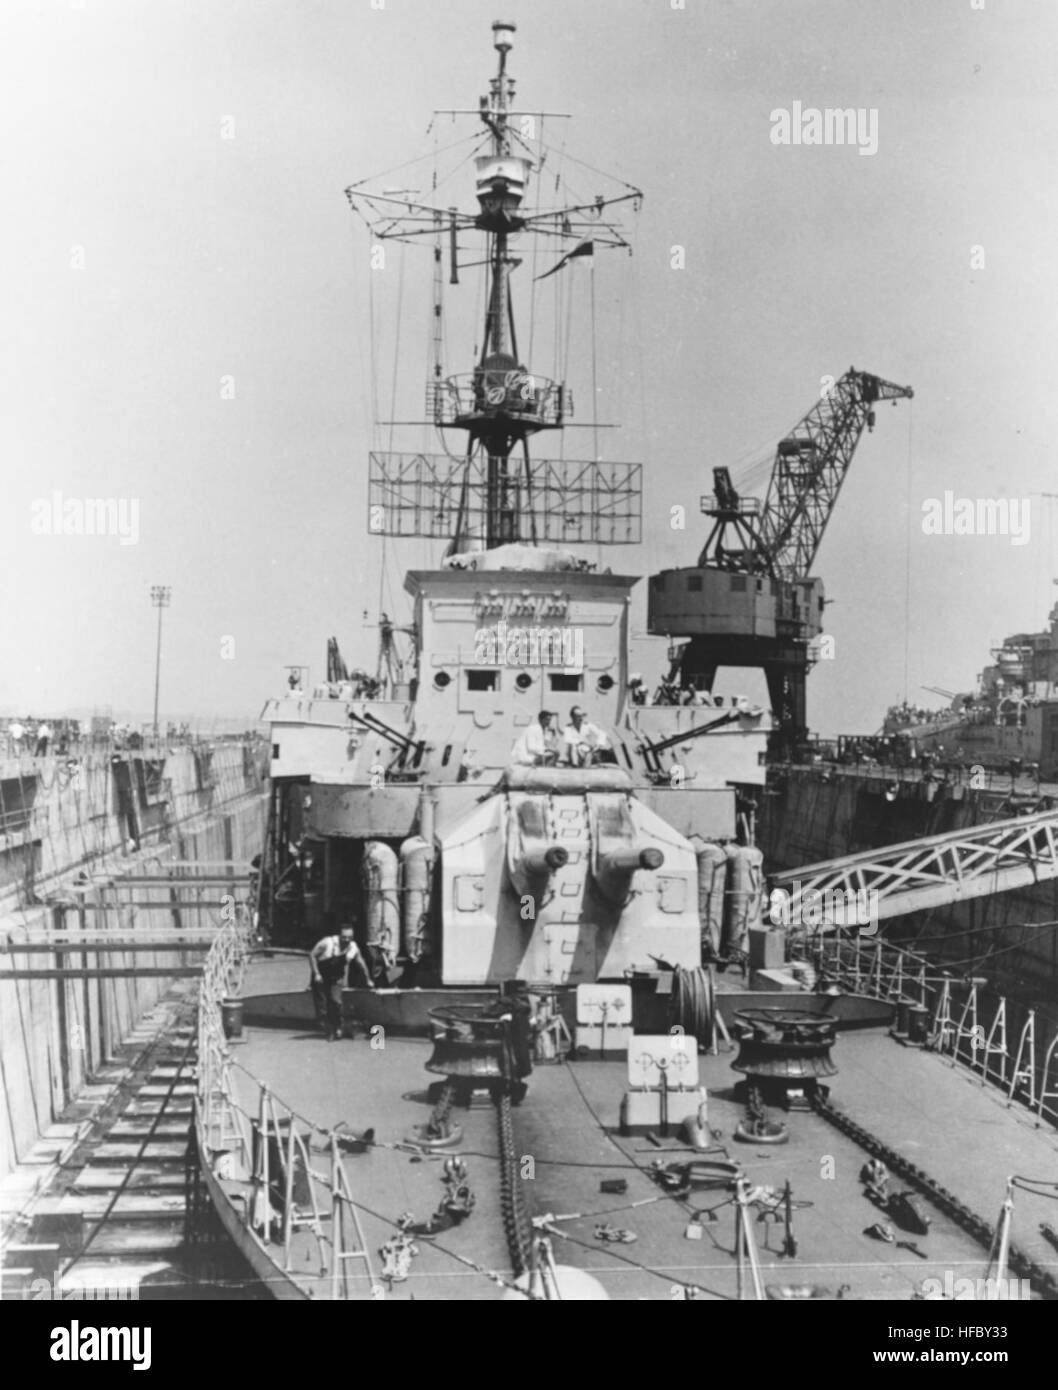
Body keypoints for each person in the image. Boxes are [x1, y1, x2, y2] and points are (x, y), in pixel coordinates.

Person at [309, 925, 374, 1040]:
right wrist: (316, 974)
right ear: (339, 936)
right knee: (322, 1006)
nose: (347, 940)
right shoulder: (327, 943)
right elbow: (312, 955)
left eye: (350, 937)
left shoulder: (353, 947)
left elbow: (361, 963)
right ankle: (329, 1030)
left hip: (336, 977)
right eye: (344, 937)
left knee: (336, 1001)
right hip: (321, 976)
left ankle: (338, 1027)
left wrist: (368, 979)